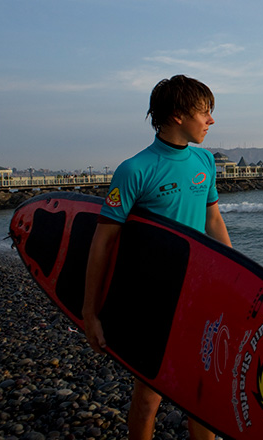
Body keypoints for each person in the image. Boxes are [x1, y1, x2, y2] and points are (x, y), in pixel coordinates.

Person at [83, 75, 231, 440]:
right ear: (179, 115)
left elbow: (213, 219)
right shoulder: (134, 170)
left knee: (202, 392)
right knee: (149, 396)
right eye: (204, 112)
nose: (210, 121)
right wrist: (90, 313)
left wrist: (233, 275)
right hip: (153, 297)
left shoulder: (204, 160)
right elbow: (102, 242)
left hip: (199, 294)